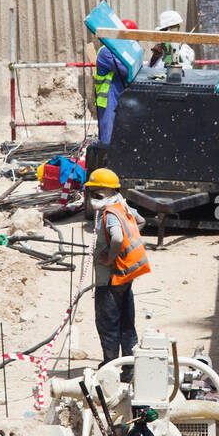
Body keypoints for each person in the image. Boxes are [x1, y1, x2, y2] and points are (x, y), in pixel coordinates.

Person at [85, 168, 150, 366]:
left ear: (103, 191)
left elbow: (118, 237)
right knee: (126, 322)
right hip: (125, 275)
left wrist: (111, 256)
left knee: (108, 323)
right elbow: (141, 222)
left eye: (94, 191)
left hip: (110, 278)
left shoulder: (110, 213)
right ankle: (130, 367)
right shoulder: (122, 205)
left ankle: (110, 366)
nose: (91, 195)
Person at [92, 19, 140, 158]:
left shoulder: (121, 51)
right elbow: (128, 69)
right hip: (108, 101)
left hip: (121, 99)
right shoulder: (107, 51)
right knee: (108, 139)